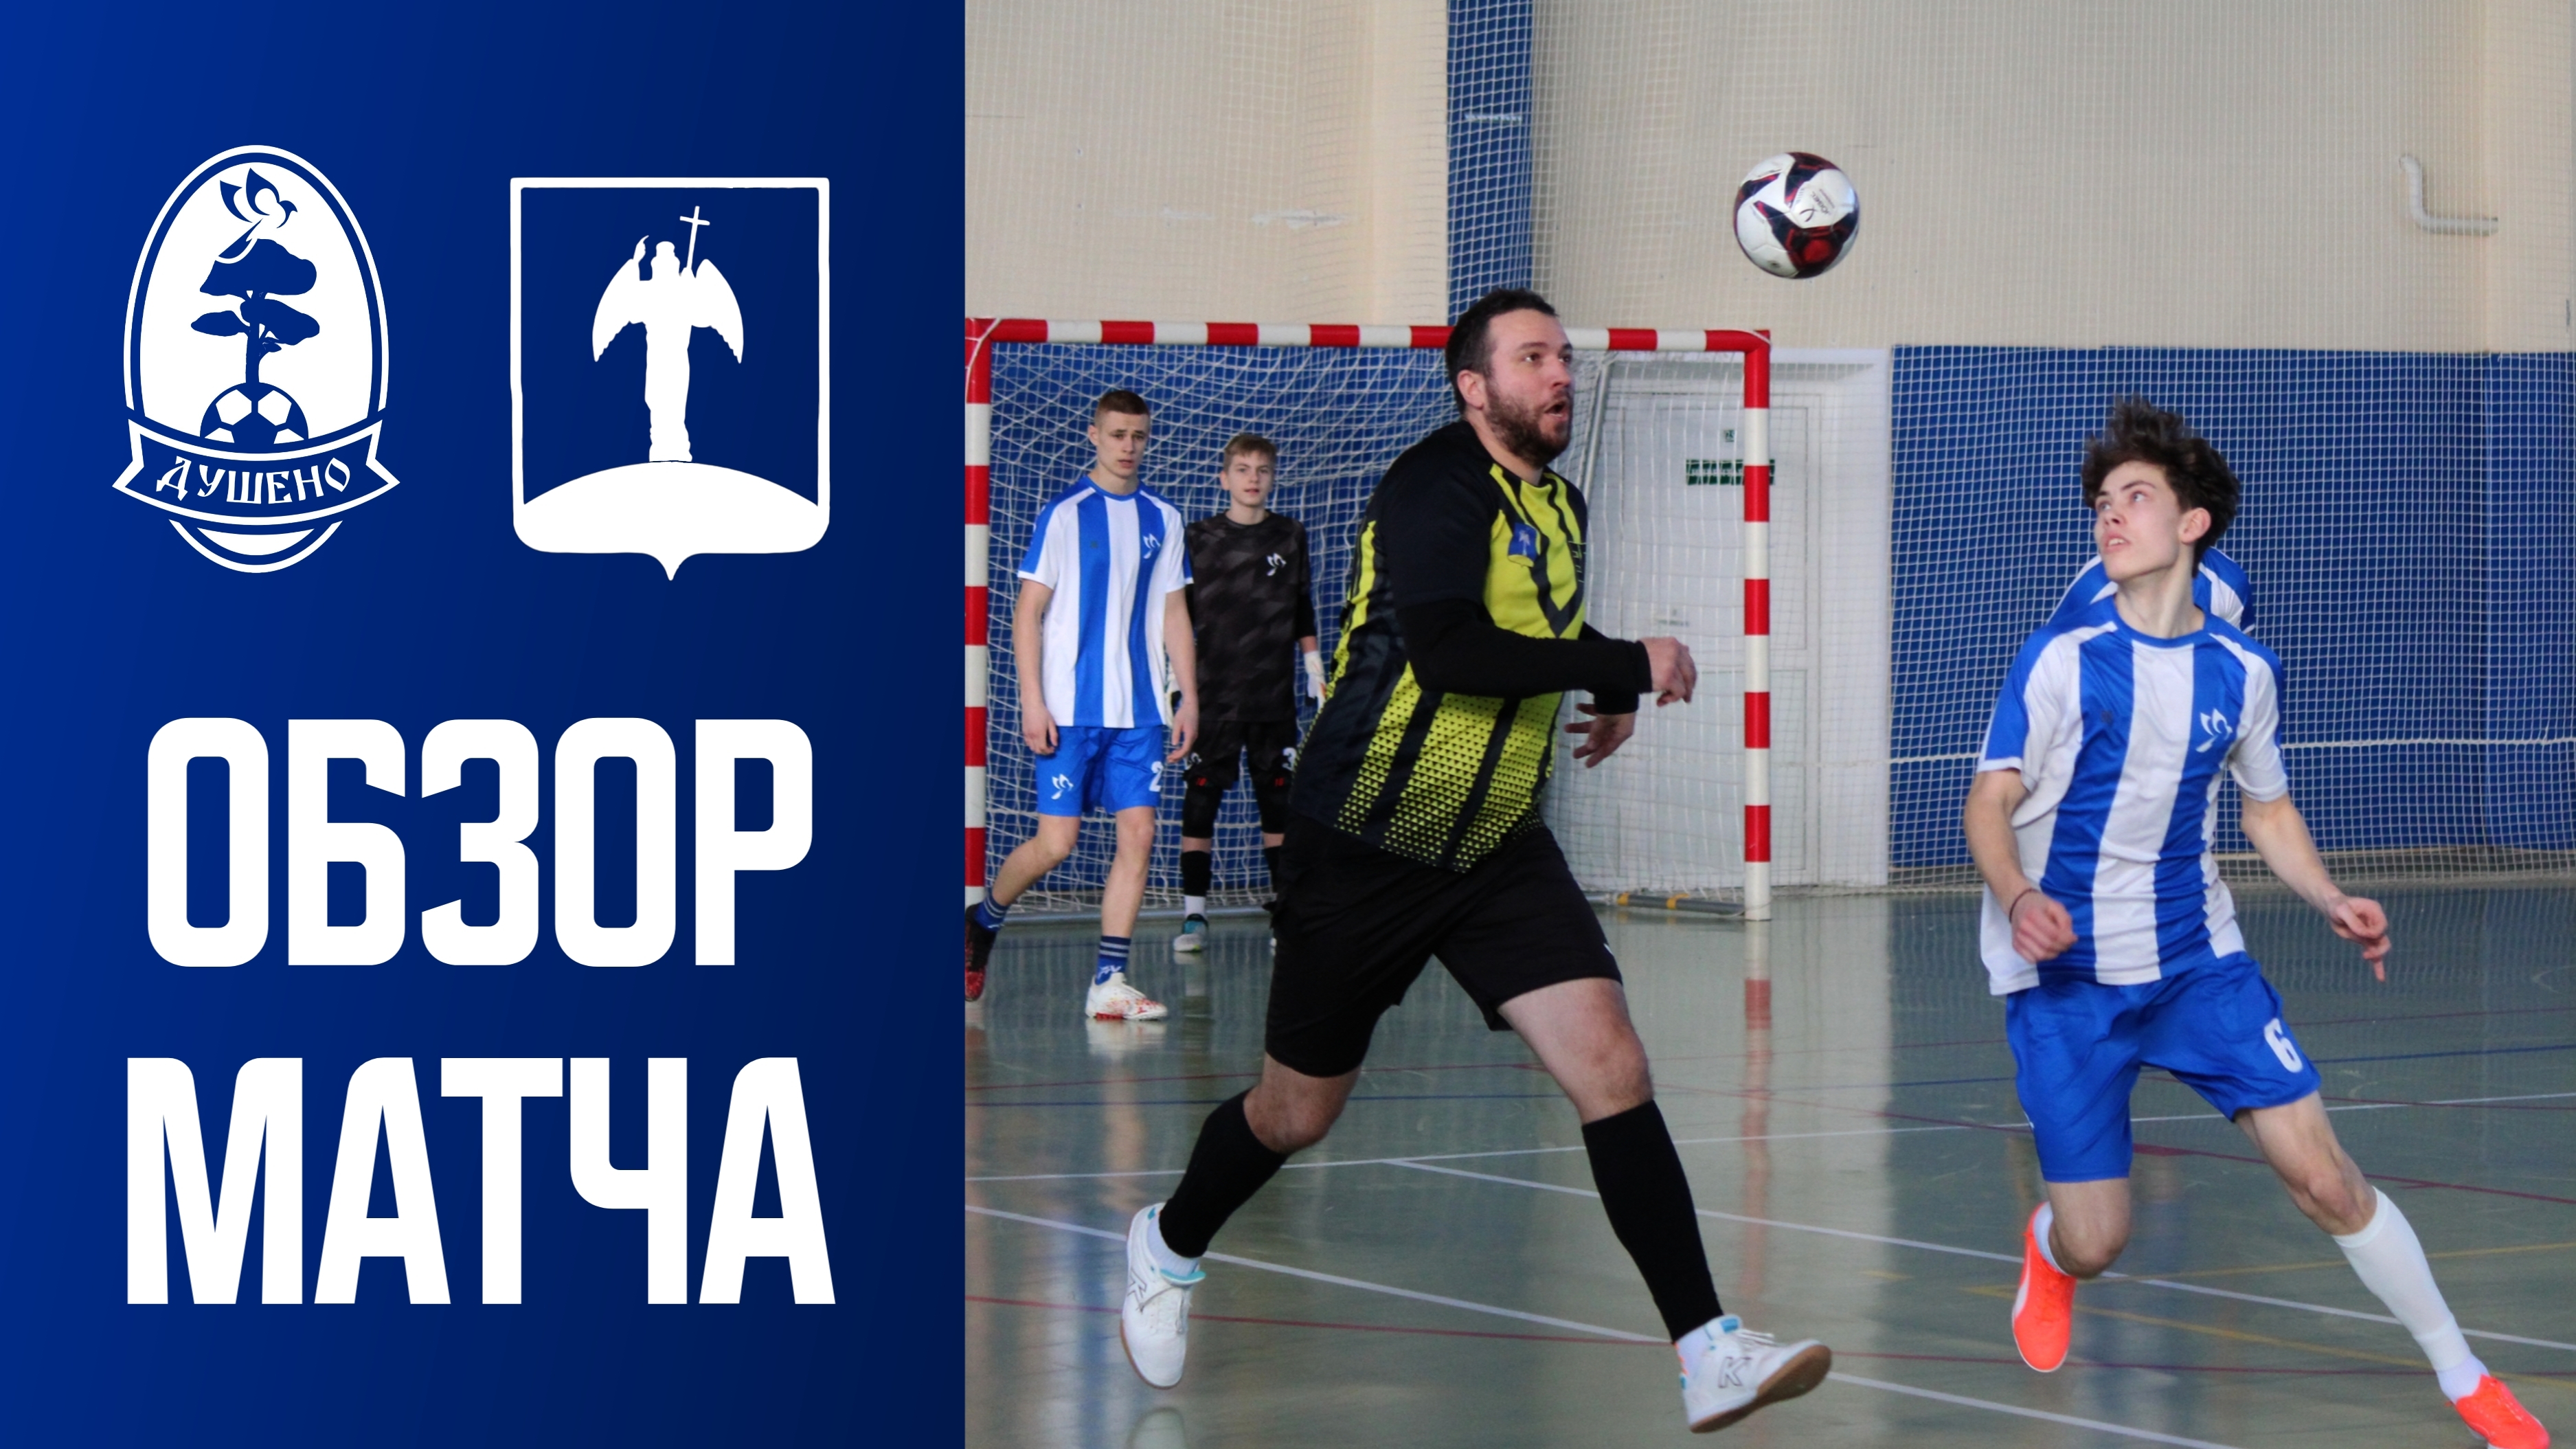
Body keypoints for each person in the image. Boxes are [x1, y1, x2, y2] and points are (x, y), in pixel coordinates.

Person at [1113, 289, 1832, 1435]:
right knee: (1295, 1112)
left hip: (1495, 841)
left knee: (1612, 1063)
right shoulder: (1431, 486)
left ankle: (1707, 1350)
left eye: (1564, 357)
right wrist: (1624, 662)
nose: (1561, 375)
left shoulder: (1562, 504)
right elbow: (1450, 649)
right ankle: (1167, 1242)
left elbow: (1534, 633)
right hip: (1366, 841)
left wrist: (1604, 679)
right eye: (1532, 358)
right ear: (1473, 385)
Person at [1965, 397, 2546, 1449]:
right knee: (2098, 1241)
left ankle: (2463, 1373)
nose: (2108, 515)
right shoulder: (2059, 657)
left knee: (2326, 1177)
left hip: (2198, 962)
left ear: (2192, 526)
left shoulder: (2241, 672)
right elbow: (1986, 802)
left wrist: (2329, 897)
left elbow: (2265, 808)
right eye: (2101, 502)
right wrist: (2017, 897)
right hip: (2066, 978)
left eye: (2134, 497)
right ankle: (2051, 1249)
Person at [964, 390, 1198, 1019]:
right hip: (1068, 709)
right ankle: (983, 919)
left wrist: (1187, 696)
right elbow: (1028, 612)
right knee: (1056, 844)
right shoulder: (1065, 515)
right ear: (1094, 436)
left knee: (1140, 834)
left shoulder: (1164, 518)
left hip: (1141, 711)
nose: (1129, 446)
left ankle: (1109, 982)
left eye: (1139, 435)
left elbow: (1175, 612)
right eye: (1117, 434)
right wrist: (1032, 701)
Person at [1173, 432, 1322, 950]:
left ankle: (1284, 913)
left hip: (1272, 699)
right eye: (1242, 469)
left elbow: (1302, 605)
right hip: (1212, 698)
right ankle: (1194, 916)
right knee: (1200, 805)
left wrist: (1313, 663)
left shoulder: (1291, 534)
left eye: (1262, 470)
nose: (1252, 478)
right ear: (1224, 478)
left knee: (1277, 808)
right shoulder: (1199, 537)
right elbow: (1176, 615)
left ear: (1273, 477)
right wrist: (1175, 681)